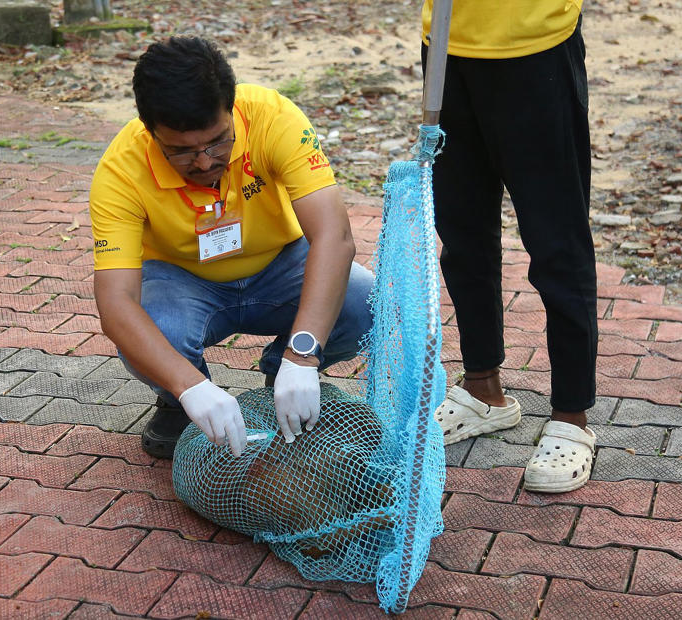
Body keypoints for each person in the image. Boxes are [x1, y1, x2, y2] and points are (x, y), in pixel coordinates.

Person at [90, 36, 373, 459]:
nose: (204, 162)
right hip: (183, 281)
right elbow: (115, 304)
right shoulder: (120, 169)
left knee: (370, 302)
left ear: (231, 107)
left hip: (280, 264)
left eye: (218, 142)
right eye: (181, 152)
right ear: (150, 132)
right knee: (154, 330)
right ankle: (179, 403)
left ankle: (283, 378)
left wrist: (303, 353)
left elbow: (335, 237)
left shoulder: (273, 117)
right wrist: (190, 387)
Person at [422, 1, 598, 492]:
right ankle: (484, 391)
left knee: (555, 240)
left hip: (535, 46)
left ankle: (571, 417)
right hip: (446, 46)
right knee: (461, 231)